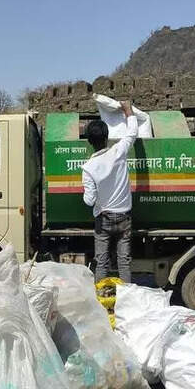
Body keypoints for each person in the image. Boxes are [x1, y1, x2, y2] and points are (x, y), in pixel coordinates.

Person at [82, 100, 137, 283]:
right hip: (124, 218)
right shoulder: (118, 152)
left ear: (89, 141)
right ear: (107, 137)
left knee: (102, 262)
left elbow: (89, 201)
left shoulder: (88, 168)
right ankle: (127, 298)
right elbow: (132, 133)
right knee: (124, 262)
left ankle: (101, 301)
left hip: (103, 220)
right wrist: (128, 111)